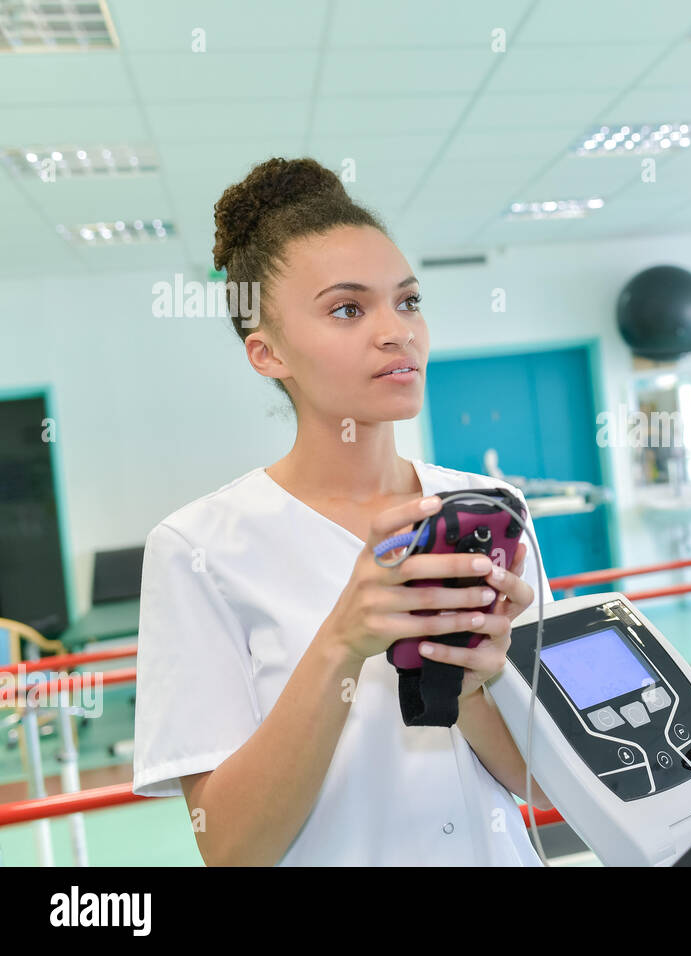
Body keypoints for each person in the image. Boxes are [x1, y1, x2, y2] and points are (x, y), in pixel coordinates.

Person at [132, 158, 553, 865]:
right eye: (348, 309)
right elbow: (231, 848)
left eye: (409, 301)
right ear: (266, 354)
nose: (398, 332)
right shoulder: (197, 547)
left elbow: (539, 783)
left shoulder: (490, 511)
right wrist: (339, 643)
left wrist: (475, 688)